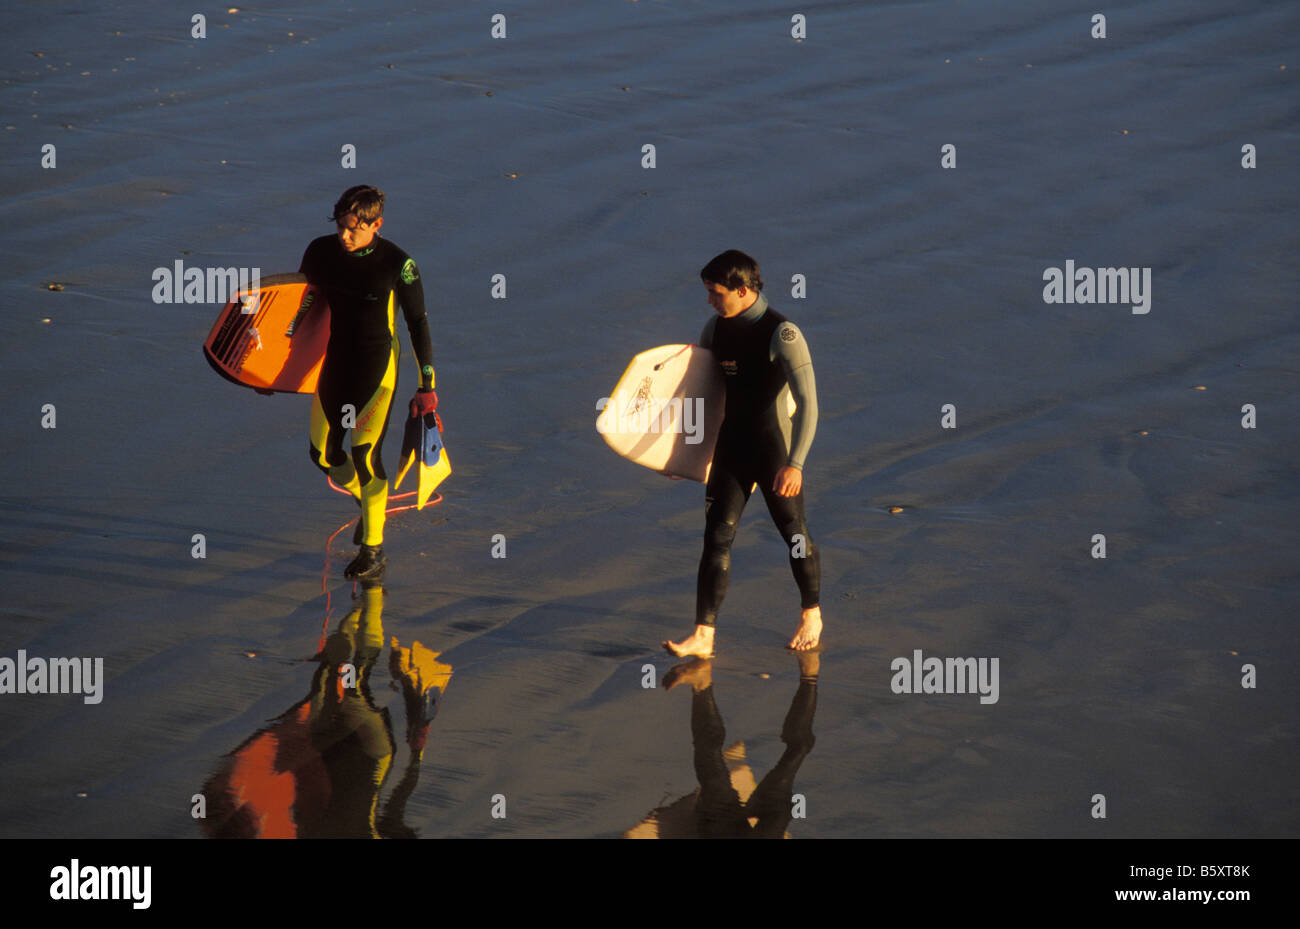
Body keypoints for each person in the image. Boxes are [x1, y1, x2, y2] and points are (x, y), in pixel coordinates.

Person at [663, 250, 822, 656]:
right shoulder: (714, 331)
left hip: (775, 452)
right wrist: (689, 453)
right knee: (716, 538)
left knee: (794, 535)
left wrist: (795, 464)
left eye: (716, 294)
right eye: (708, 293)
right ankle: (703, 635)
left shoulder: (782, 333)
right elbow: (702, 395)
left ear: (743, 289)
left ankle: (811, 614)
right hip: (731, 449)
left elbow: (809, 404)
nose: (711, 302)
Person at [299, 185, 438, 579]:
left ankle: (373, 552)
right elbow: (301, 307)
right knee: (322, 455)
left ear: (377, 224)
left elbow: (418, 324)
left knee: (365, 457)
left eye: (354, 229)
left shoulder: (398, 264)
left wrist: (426, 386)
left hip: (377, 368)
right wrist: (272, 370)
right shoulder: (320, 252)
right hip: (337, 362)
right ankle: (368, 505)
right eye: (341, 226)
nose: (344, 236)